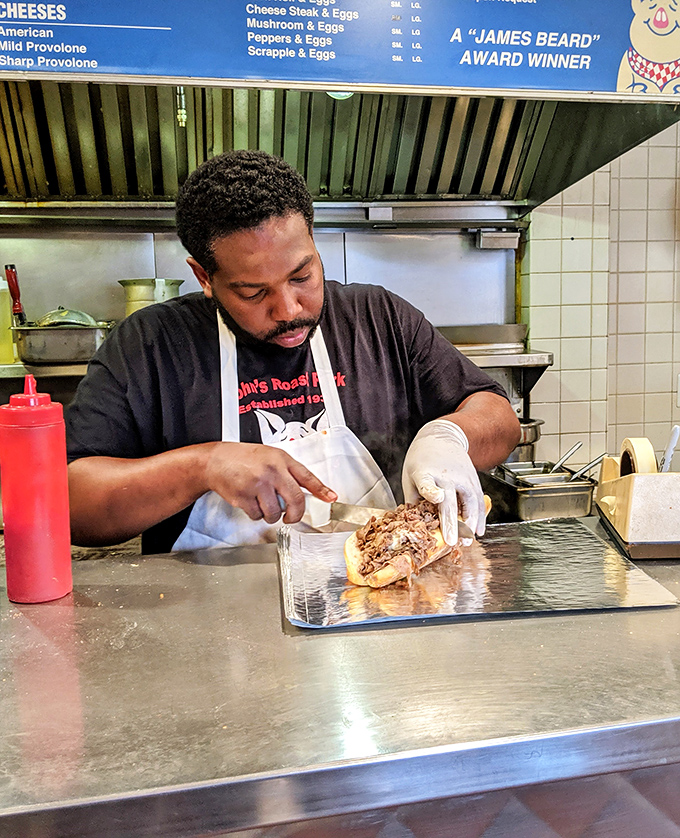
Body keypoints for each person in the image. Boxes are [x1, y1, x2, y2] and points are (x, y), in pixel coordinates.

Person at [66, 150, 520, 554]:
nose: (289, 310)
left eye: (302, 276)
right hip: (208, 625)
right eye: (252, 292)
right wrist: (199, 467)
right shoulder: (151, 346)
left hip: (377, 611)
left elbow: (498, 417)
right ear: (204, 277)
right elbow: (69, 504)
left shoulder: (377, 318)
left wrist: (448, 437)